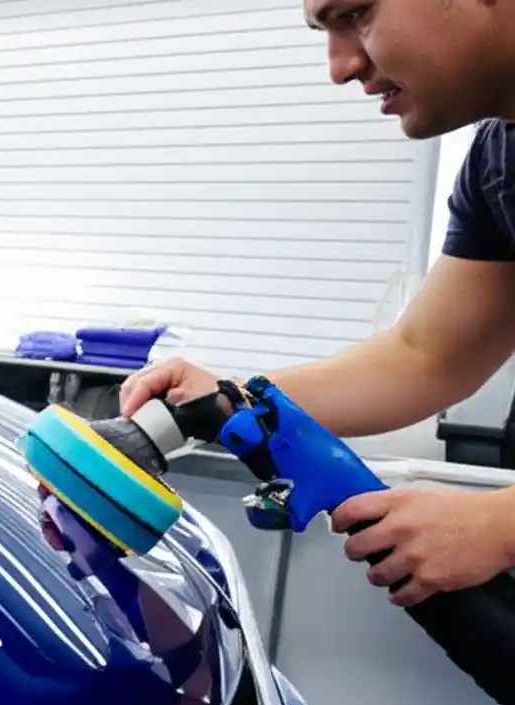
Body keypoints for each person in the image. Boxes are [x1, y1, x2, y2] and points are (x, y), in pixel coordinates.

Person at [115, 0, 515, 610]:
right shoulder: (497, 164)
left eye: (356, 14)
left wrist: (500, 527)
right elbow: (425, 357)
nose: (339, 66)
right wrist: (230, 398)